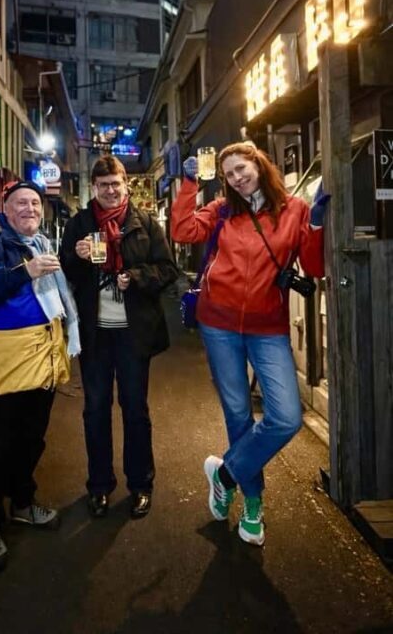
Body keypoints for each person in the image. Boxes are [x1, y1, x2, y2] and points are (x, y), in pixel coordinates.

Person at [171, 142, 330, 546]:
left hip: (268, 327)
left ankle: (224, 473)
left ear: (258, 164)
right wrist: (189, 183)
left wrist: (315, 224)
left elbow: (313, 266)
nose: (237, 178)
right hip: (218, 323)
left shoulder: (293, 210)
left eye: (242, 169)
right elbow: (182, 230)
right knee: (239, 416)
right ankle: (254, 506)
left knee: (286, 418)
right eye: (229, 174)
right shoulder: (224, 209)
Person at [0, 179, 80, 572]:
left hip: (43, 357)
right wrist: (24, 271)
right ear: (6, 210)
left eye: (35, 202)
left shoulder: (43, 244)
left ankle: (23, 502)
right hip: (7, 360)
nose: (30, 208)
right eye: (21, 203)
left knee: (31, 440)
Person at [60, 156, 178, 519]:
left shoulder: (144, 223)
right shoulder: (79, 224)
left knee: (135, 409)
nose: (110, 190)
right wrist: (77, 257)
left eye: (116, 183)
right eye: (103, 185)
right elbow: (65, 271)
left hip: (132, 334)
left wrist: (136, 277)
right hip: (95, 334)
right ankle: (99, 486)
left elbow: (168, 269)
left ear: (125, 184)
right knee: (95, 410)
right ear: (93, 188)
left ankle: (140, 484)